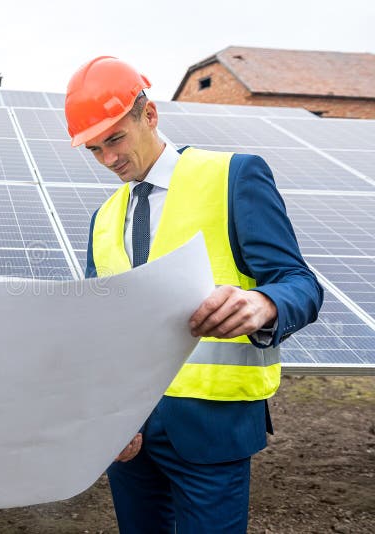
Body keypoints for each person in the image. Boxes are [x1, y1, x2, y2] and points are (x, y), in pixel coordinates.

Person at [65, 57, 323, 533]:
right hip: (128, 432)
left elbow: (300, 284)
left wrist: (263, 305)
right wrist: (101, 419)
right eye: (94, 149)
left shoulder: (234, 176)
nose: (109, 159)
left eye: (115, 139)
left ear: (150, 115)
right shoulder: (102, 218)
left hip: (212, 427)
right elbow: (95, 330)